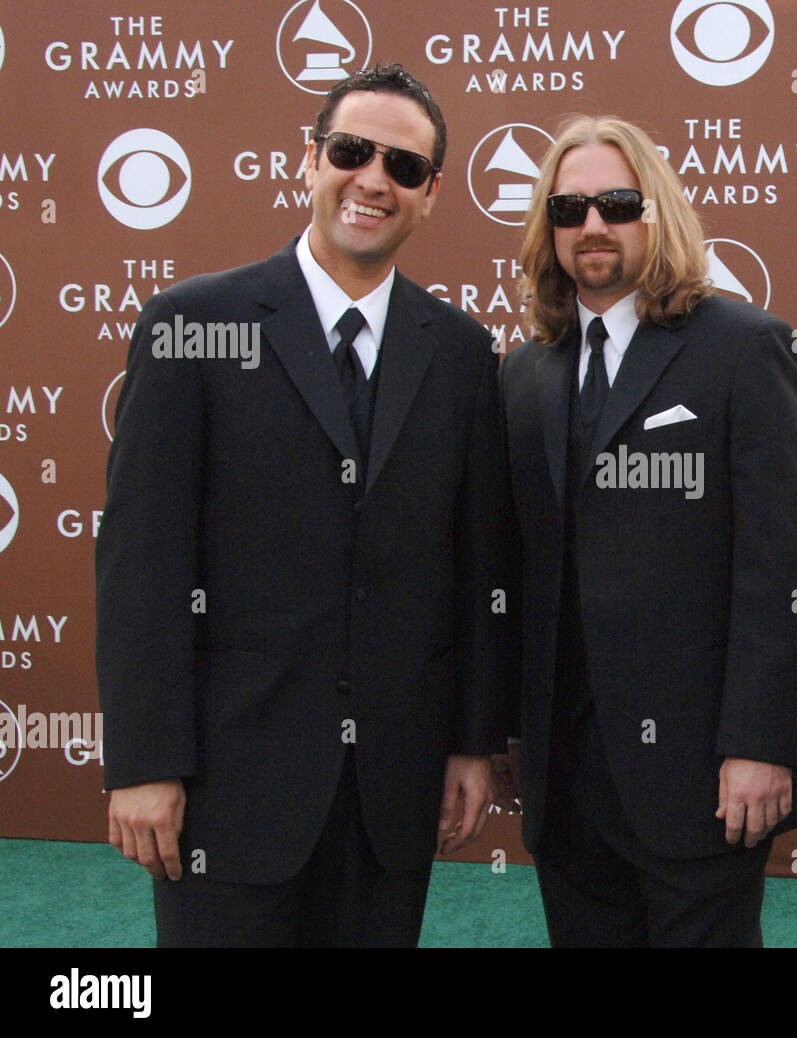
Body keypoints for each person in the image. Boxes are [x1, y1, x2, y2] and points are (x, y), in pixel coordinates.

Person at [96, 64, 517, 947]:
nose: (374, 180)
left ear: (433, 192)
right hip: (227, 789)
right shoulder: (193, 325)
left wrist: (472, 743)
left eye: (404, 167)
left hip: (391, 799)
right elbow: (143, 566)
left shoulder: (463, 353)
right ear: (312, 161)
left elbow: (479, 567)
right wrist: (144, 763)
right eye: (353, 152)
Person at [496, 115, 797, 947]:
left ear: (657, 212)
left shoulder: (744, 347)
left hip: (699, 775)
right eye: (569, 209)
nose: (593, 225)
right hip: (565, 779)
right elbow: (513, 565)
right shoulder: (528, 370)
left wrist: (760, 744)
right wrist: (504, 732)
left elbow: (778, 566)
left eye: (616, 202)